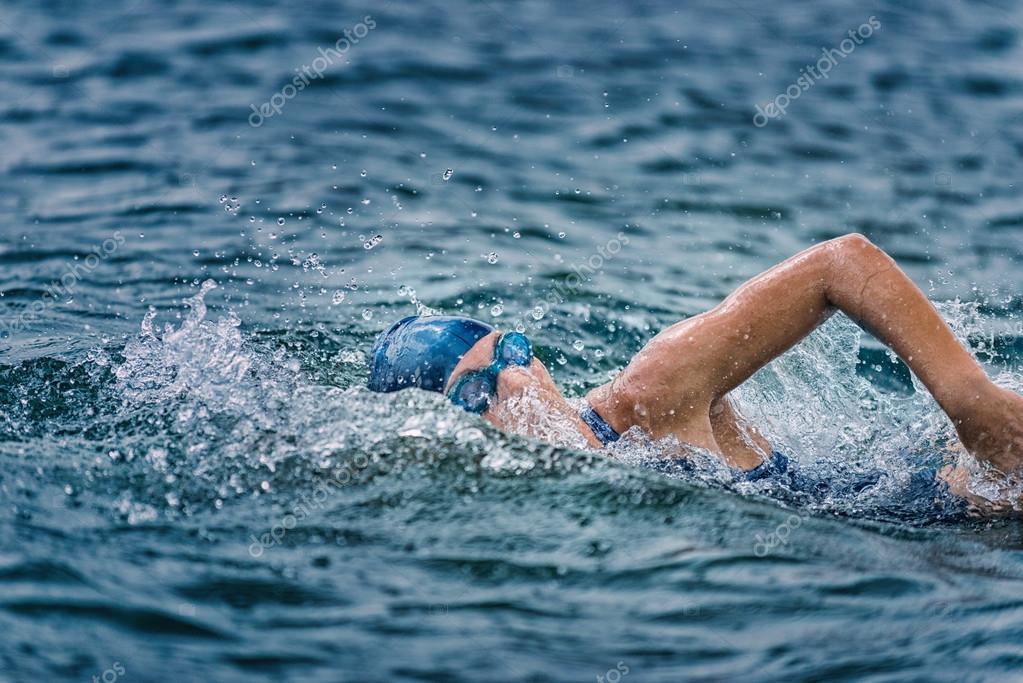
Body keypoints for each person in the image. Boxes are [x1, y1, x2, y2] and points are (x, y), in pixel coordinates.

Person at [367, 234, 1023, 513]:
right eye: (476, 391)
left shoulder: (649, 393)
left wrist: (975, 408)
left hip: (965, 495)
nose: (514, 381)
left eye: (509, 353)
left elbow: (840, 263)